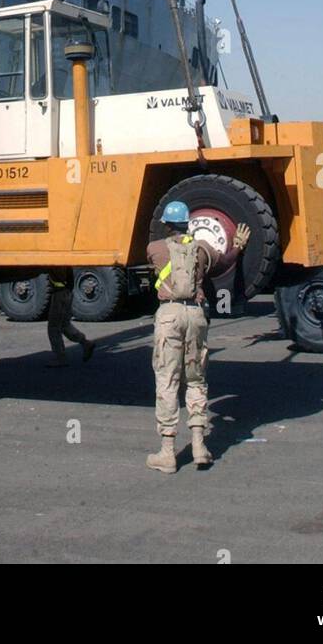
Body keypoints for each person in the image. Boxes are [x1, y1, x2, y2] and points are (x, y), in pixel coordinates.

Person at [145, 201, 250, 474]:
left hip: (169, 315)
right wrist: (237, 244)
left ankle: (168, 453)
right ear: (188, 223)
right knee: (196, 380)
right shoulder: (202, 250)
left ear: (167, 224)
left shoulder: (155, 249)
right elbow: (225, 261)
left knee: (167, 381)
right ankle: (199, 446)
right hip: (195, 314)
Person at [46, 267, 94, 367]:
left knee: (53, 328)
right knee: (64, 325)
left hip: (59, 294)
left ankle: (60, 358)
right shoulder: (64, 261)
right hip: (66, 293)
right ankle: (86, 344)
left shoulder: (56, 261)